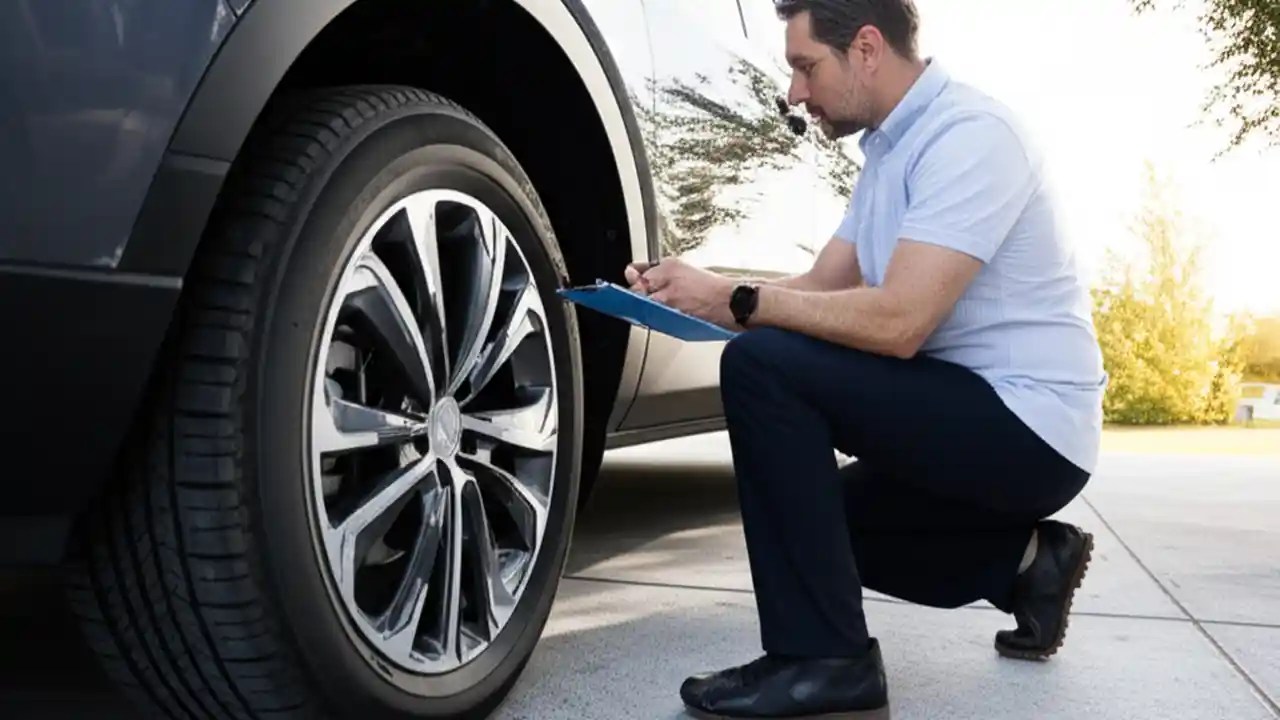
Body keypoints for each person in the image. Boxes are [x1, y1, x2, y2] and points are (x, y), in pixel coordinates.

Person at [623, 1, 1108, 718]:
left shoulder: (972, 136)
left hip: (1030, 424)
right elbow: (820, 289)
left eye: (804, 66)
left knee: (763, 367)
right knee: (817, 526)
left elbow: (902, 321)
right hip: (958, 404)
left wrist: (741, 302)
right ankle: (1030, 566)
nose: (794, 92)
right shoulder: (886, 154)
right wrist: (698, 295)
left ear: (869, 49)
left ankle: (826, 662)